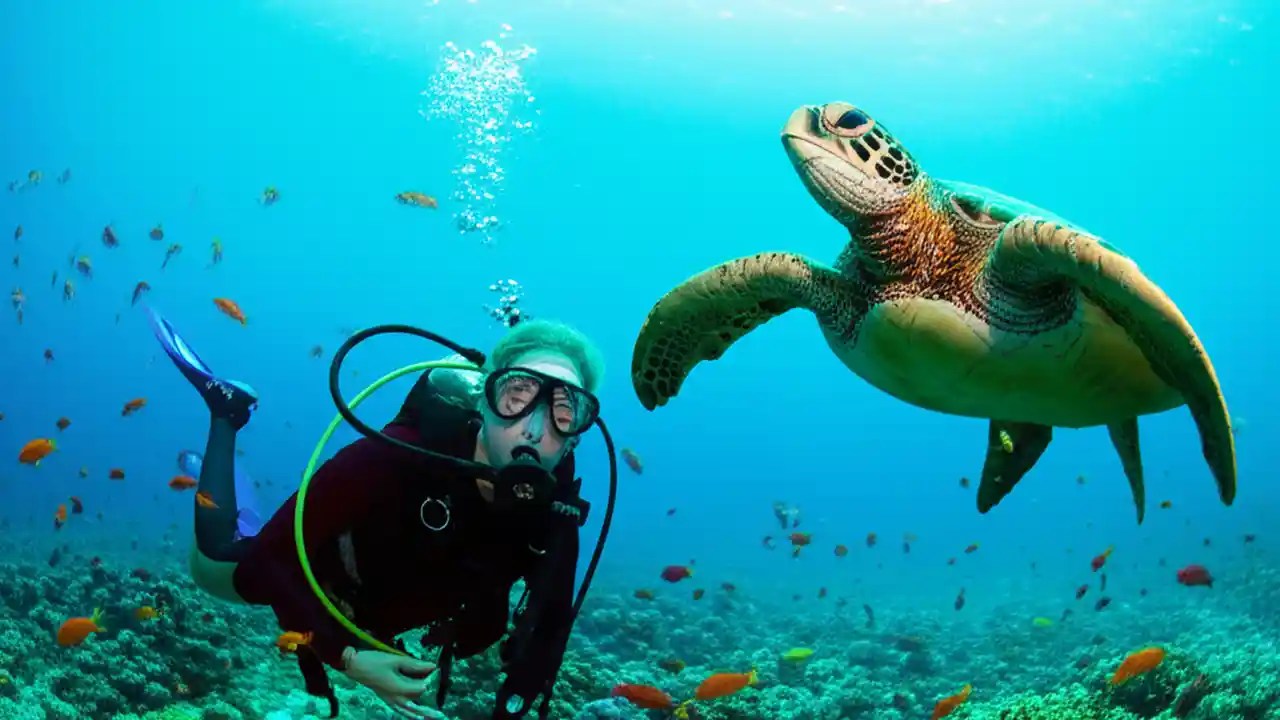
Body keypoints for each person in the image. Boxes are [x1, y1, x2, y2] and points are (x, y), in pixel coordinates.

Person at [147, 310, 607, 720]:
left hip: (383, 606)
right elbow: (267, 563)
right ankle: (226, 415)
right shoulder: (405, 452)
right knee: (219, 565)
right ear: (484, 402)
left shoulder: (554, 511)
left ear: (576, 437)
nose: (534, 427)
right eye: (517, 394)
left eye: (565, 409)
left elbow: (548, 631)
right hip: (312, 576)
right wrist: (348, 656)